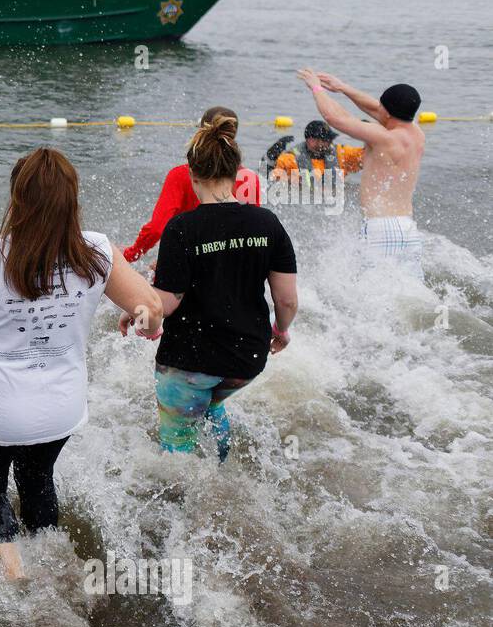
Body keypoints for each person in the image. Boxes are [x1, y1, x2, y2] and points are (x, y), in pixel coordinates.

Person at [0, 148, 164, 581]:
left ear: (17, 201)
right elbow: (150, 308)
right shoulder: (96, 252)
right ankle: (60, 568)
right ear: (71, 201)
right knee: (38, 481)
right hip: (58, 413)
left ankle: (15, 575)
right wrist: (143, 321)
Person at [133, 114, 299, 461]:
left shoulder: (183, 228)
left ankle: (189, 500)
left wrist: (140, 317)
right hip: (246, 360)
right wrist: (281, 331)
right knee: (212, 400)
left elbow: (166, 305)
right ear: (237, 172)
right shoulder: (267, 222)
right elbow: (286, 299)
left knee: (177, 446)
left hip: (190, 359)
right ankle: (223, 466)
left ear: (192, 175)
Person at [297, 70, 426, 277]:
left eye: (382, 105)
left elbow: (335, 118)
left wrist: (316, 88)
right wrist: (342, 87)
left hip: (380, 228)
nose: (377, 107)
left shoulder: (383, 137)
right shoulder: (417, 134)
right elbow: (376, 108)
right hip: (409, 229)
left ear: (388, 113)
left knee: (372, 297)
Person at [123, 106, 263, 264]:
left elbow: (156, 229)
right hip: (231, 268)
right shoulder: (250, 178)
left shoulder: (181, 175)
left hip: (187, 266)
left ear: (201, 132)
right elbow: (253, 232)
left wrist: (129, 255)